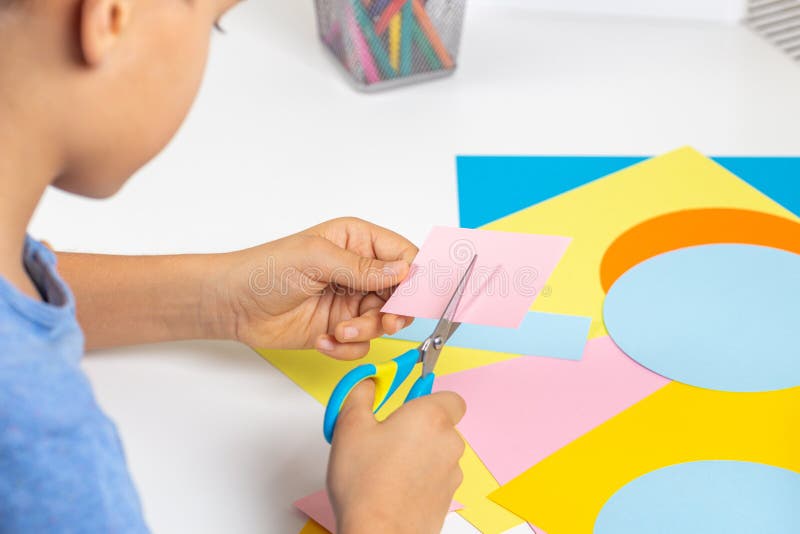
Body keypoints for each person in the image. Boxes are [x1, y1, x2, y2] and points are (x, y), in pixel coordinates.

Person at [0, 1, 466, 532]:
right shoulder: (39, 438)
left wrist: (221, 301)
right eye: (213, 24)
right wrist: (385, 517)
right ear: (110, 18)